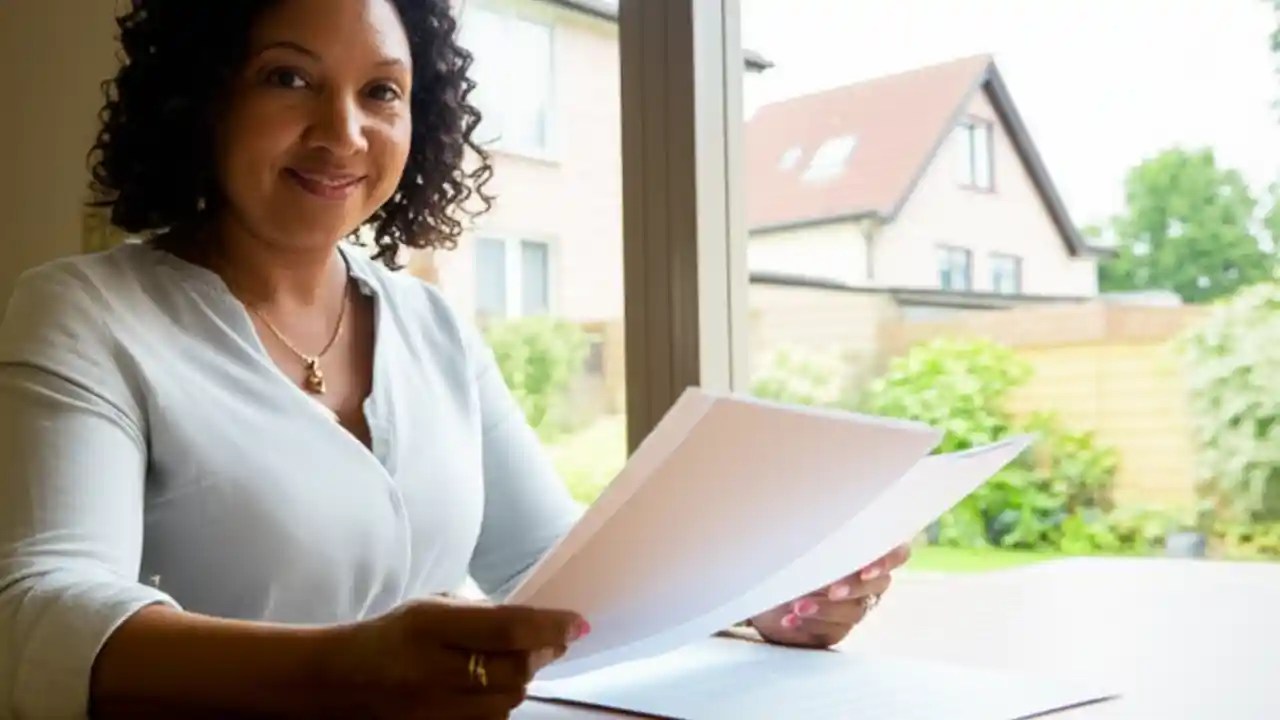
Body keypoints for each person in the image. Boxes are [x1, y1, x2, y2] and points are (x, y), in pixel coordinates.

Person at [0, 1, 909, 717]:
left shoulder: (428, 324)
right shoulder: (83, 313)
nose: (344, 132)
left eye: (382, 92)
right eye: (288, 77)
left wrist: (765, 599)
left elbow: (549, 568)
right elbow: (37, 614)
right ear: (201, 96)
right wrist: (345, 672)